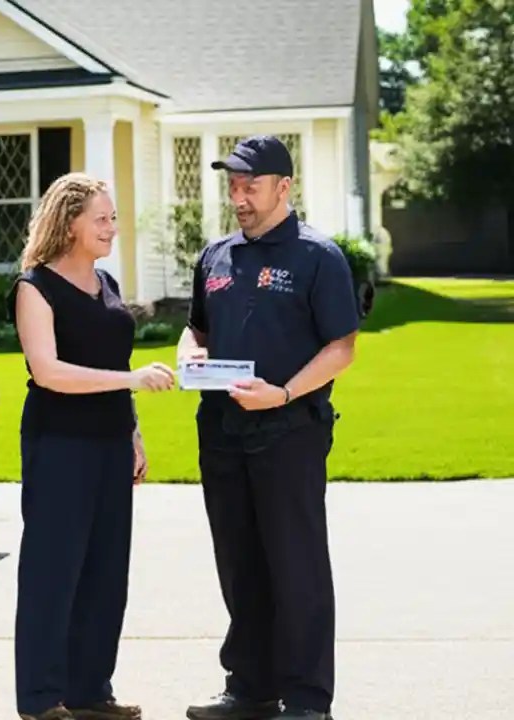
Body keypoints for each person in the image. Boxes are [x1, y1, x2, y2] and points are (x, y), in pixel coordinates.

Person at [178, 136, 360, 720]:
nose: (239, 197)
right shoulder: (216, 256)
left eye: (250, 185)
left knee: (296, 564)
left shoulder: (318, 257)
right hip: (222, 435)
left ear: (284, 187)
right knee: (238, 561)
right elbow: (195, 332)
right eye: (232, 185)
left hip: (290, 432)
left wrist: (281, 393)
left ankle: (308, 699)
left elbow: (342, 348)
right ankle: (250, 689)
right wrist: (190, 358)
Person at [7, 172, 176, 720]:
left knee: (106, 572)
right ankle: (40, 698)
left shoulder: (108, 285)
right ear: (69, 222)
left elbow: (112, 364)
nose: (112, 228)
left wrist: (132, 432)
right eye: (101, 218)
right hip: (59, 445)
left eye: (113, 217)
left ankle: (89, 692)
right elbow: (49, 372)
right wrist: (130, 384)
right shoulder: (35, 287)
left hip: (108, 444)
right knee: (53, 572)